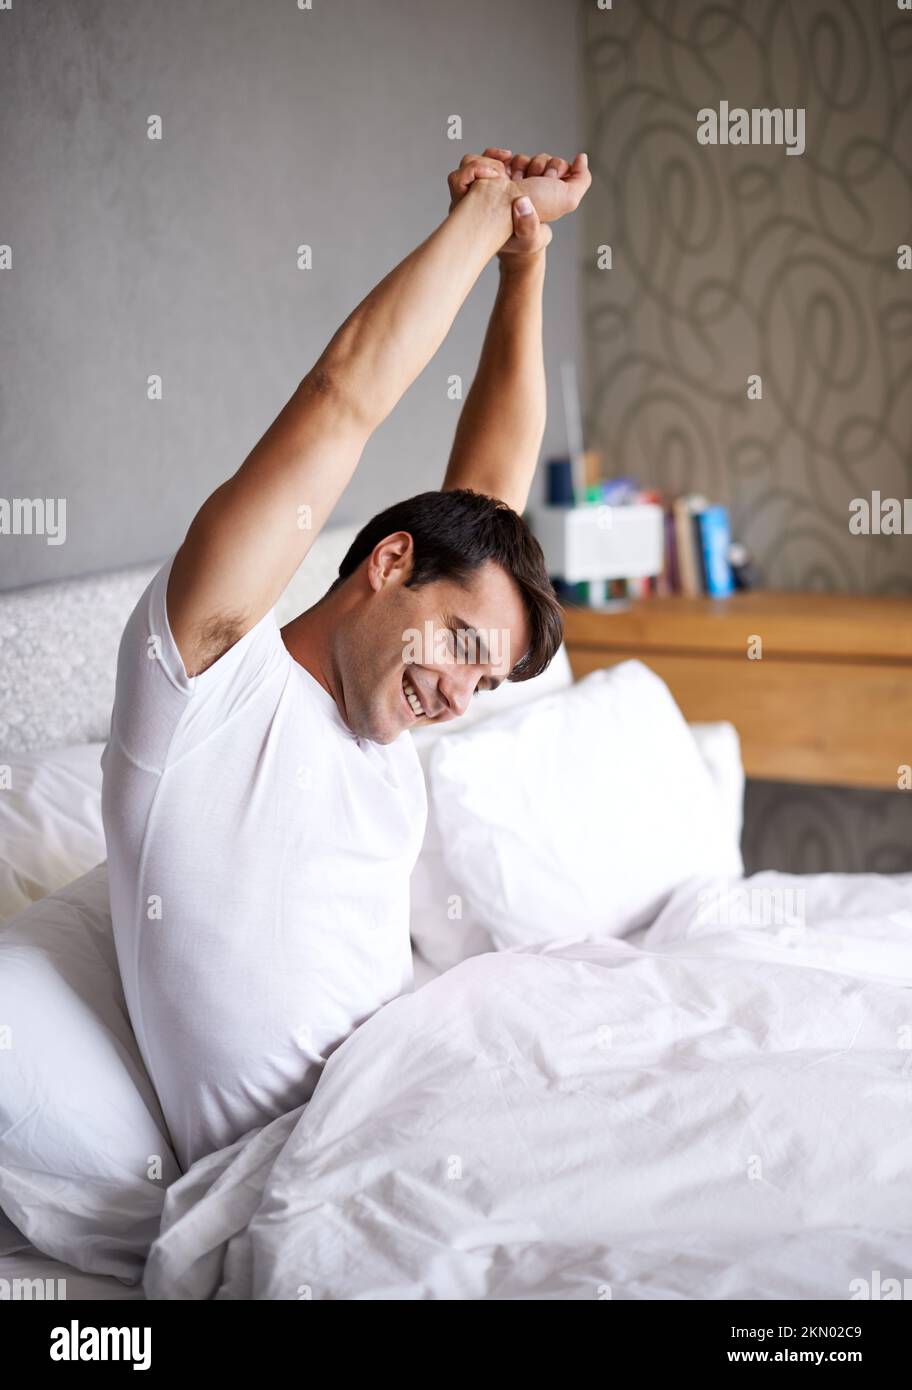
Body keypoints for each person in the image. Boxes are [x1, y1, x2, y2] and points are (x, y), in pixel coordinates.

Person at [101, 147, 592, 1169]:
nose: (461, 695)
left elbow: (489, 505)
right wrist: (486, 211)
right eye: (463, 647)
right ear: (389, 561)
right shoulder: (204, 679)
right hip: (308, 1178)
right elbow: (342, 399)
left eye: (484, 678)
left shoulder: (388, 717)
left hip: (420, 1117)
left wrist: (524, 262)